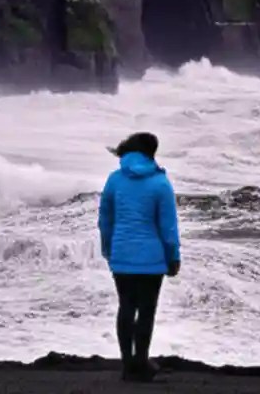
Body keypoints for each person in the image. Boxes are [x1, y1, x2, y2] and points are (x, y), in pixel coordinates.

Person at [98, 131, 181, 382]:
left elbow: (105, 220)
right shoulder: (161, 183)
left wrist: (108, 249)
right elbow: (168, 227)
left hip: (121, 254)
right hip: (151, 259)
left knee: (126, 307)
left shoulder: (114, 180)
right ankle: (142, 362)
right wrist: (173, 256)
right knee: (146, 311)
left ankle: (127, 366)